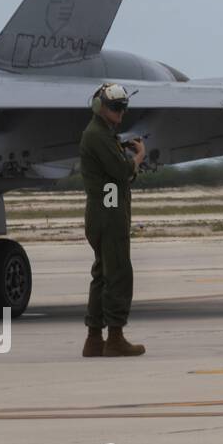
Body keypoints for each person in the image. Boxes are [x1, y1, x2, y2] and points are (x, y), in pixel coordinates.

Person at [79, 84, 147, 358]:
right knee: (118, 274)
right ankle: (115, 338)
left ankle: (94, 339)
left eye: (123, 107)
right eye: (115, 107)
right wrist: (138, 158)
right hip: (109, 216)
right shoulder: (97, 135)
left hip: (101, 214)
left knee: (102, 275)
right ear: (99, 106)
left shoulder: (102, 135)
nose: (120, 112)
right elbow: (121, 171)